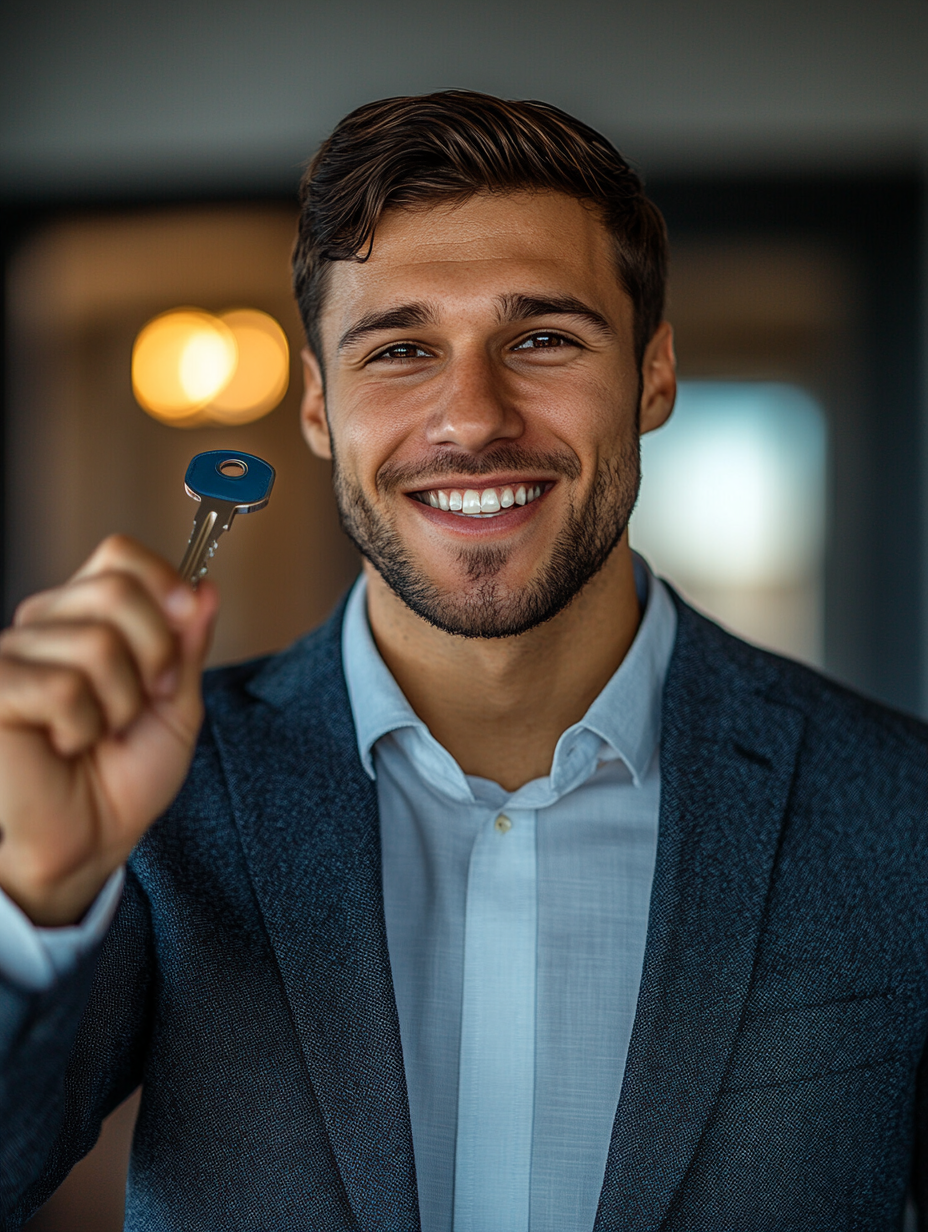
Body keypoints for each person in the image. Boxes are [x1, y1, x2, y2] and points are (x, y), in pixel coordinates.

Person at [1, 90, 927, 1232]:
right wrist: (30, 892)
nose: (471, 417)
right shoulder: (161, 794)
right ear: (317, 407)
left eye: (540, 338)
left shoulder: (901, 810)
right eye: (398, 348)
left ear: (651, 374)